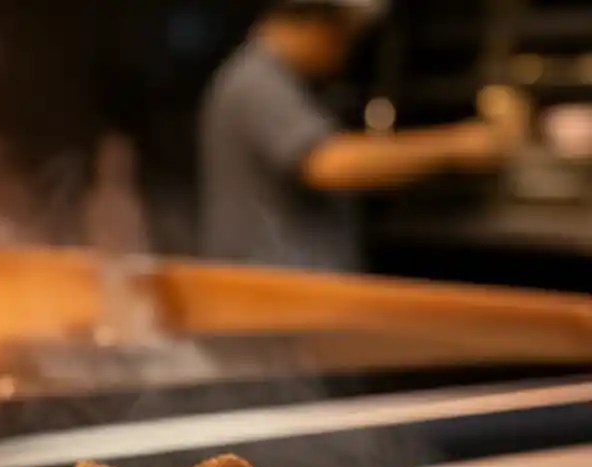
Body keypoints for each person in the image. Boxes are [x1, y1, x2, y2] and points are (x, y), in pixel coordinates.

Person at [199, 0, 519, 271]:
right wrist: (462, 144)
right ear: (316, 22)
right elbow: (330, 163)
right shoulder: (256, 82)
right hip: (272, 297)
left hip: (289, 297)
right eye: (344, 38)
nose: (345, 54)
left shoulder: (286, 83)